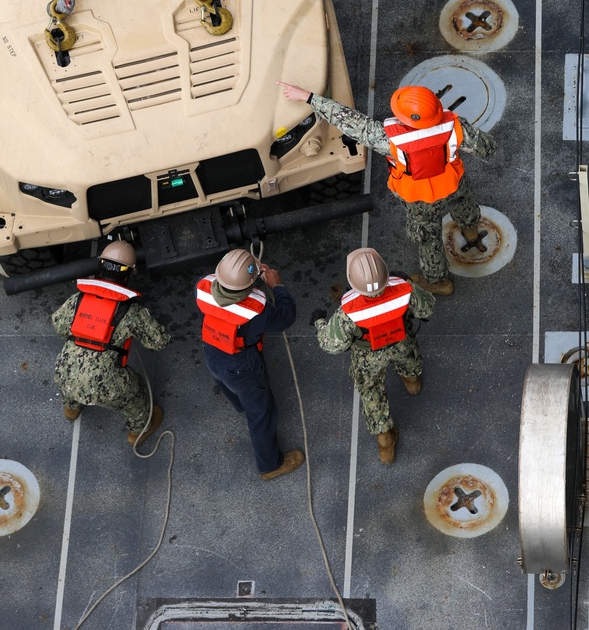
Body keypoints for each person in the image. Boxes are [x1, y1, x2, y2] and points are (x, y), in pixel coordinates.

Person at [278, 81, 496, 294]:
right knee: (464, 205)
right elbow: (486, 148)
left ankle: (438, 282)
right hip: (453, 183)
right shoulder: (455, 126)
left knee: (428, 238)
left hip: (419, 199)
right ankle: (471, 232)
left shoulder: (388, 140)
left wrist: (309, 98)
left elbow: (350, 121)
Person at [312, 246, 435, 464]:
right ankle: (412, 382)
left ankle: (385, 441)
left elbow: (331, 346)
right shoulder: (404, 289)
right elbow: (426, 309)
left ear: (351, 280)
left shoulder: (347, 311)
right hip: (400, 342)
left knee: (371, 392)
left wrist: (319, 322)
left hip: (367, 356)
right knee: (409, 360)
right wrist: (409, 283)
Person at [195, 248, 304, 481]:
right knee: (261, 413)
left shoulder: (202, 286)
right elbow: (286, 316)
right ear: (248, 287)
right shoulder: (257, 311)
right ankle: (270, 465)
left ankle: (240, 404)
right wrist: (277, 287)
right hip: (241, 365)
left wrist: (247, 277)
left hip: (212, 351)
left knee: (226, 384)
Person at [51, 239, 169, 444]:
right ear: (129, 273)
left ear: (101, 266)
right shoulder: (132, 311)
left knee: (71, 380)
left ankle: (71, 408)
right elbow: (158, 342)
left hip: (63, 371)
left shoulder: (78, 299)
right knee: (135, 391)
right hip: (103, 384)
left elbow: (59, 326)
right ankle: (140, 429)